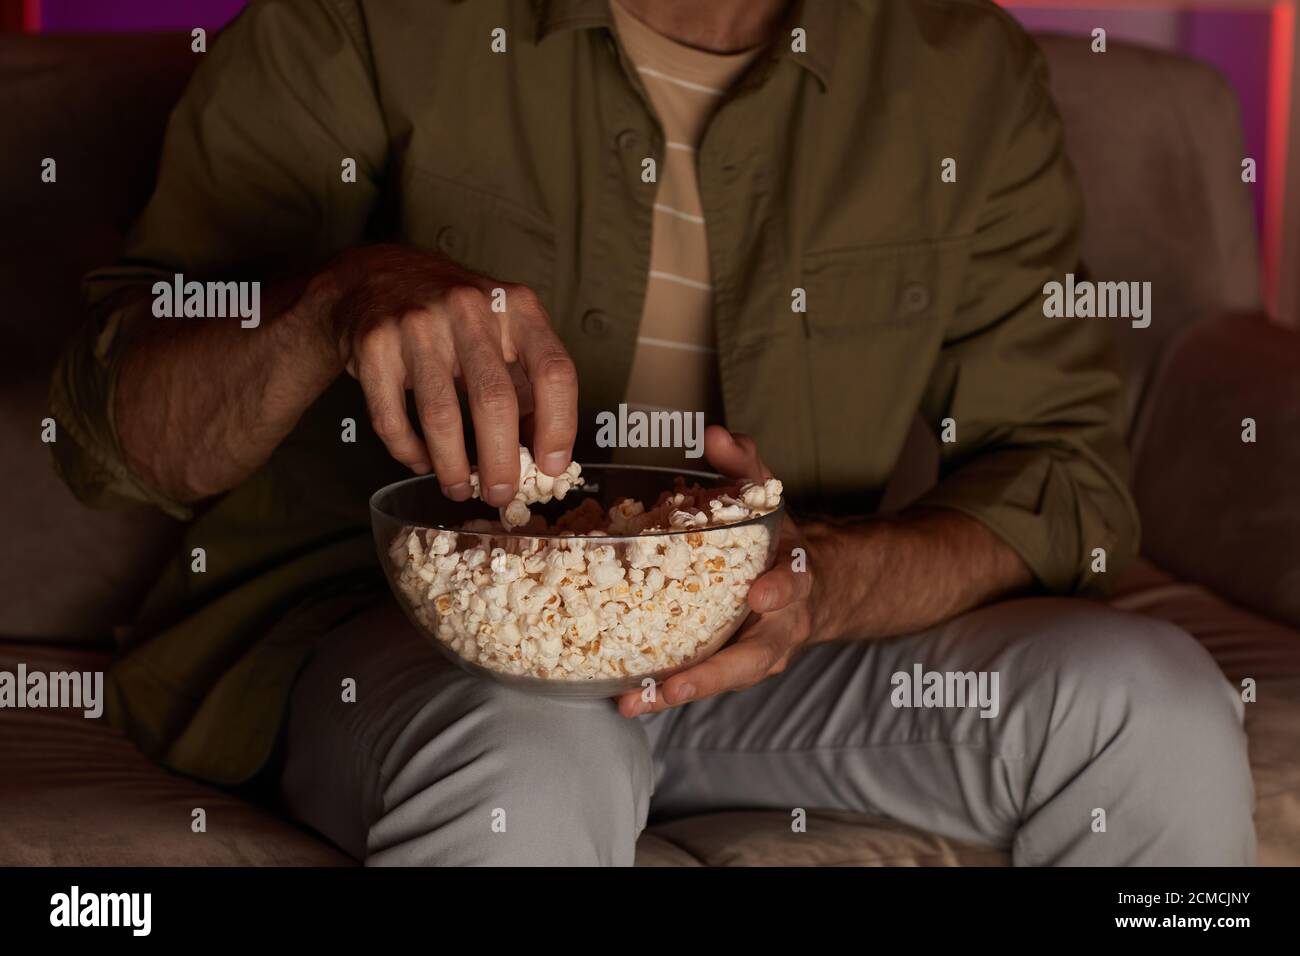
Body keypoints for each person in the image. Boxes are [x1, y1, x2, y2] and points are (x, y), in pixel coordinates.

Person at [51, 0, 1254, 865]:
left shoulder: (957, 64)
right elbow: (116, 438)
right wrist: (333, 300)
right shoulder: (362, 21)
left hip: (769, 651)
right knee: (534, 754)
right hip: (399, 651)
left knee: (1152, 702)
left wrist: (822, 584)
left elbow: (1067, 472)